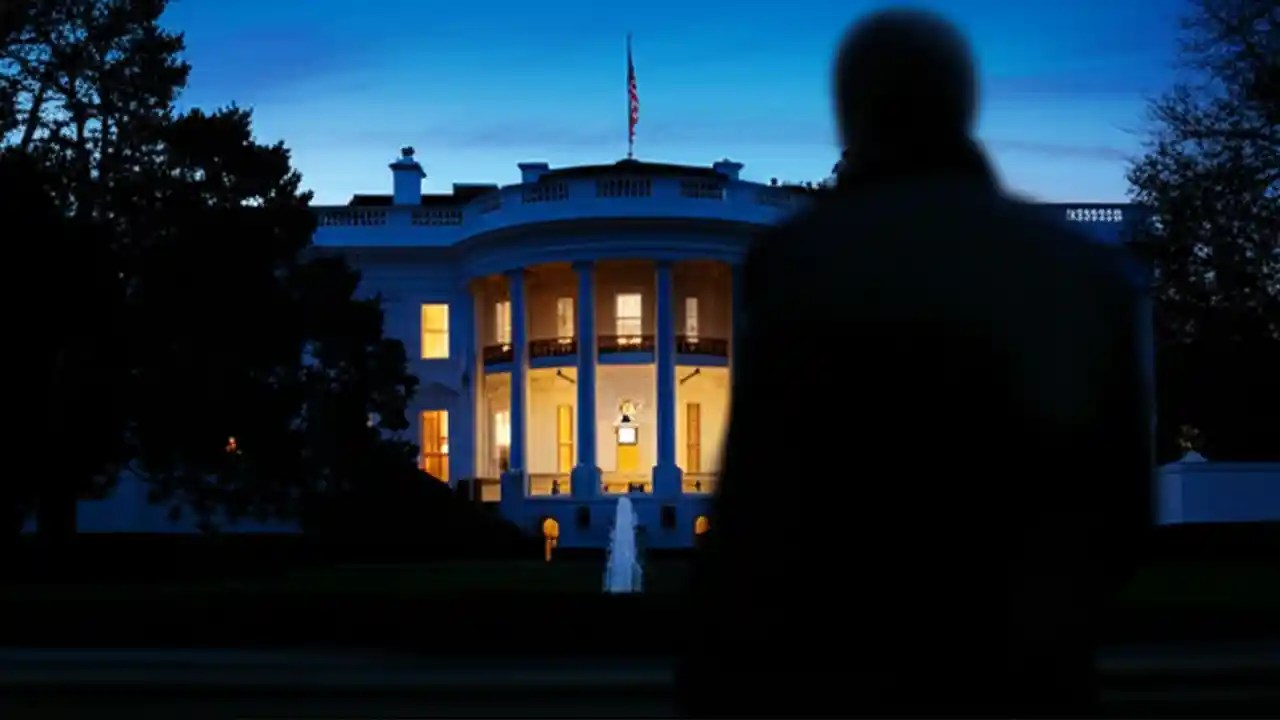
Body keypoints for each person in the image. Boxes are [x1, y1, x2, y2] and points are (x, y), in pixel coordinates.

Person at [675, 8, 1154, 718]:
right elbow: (1123, 516)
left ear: (849, 116)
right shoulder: (1083, 271)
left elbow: (760, 506)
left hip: (850, 672)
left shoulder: (804, 261)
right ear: (965, 105)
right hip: (1025, 677)